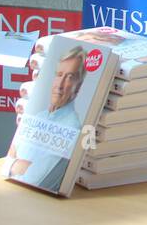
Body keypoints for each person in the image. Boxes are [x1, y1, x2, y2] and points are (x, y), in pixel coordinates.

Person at [7, 45, 87, 190]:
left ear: (78, 86)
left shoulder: (71, 127)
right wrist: (17, 164)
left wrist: (16, 162)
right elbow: (9, 159)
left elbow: (33, 180)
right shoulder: (39, 115)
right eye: (59, 74)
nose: (60, 85)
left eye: (69, 77)